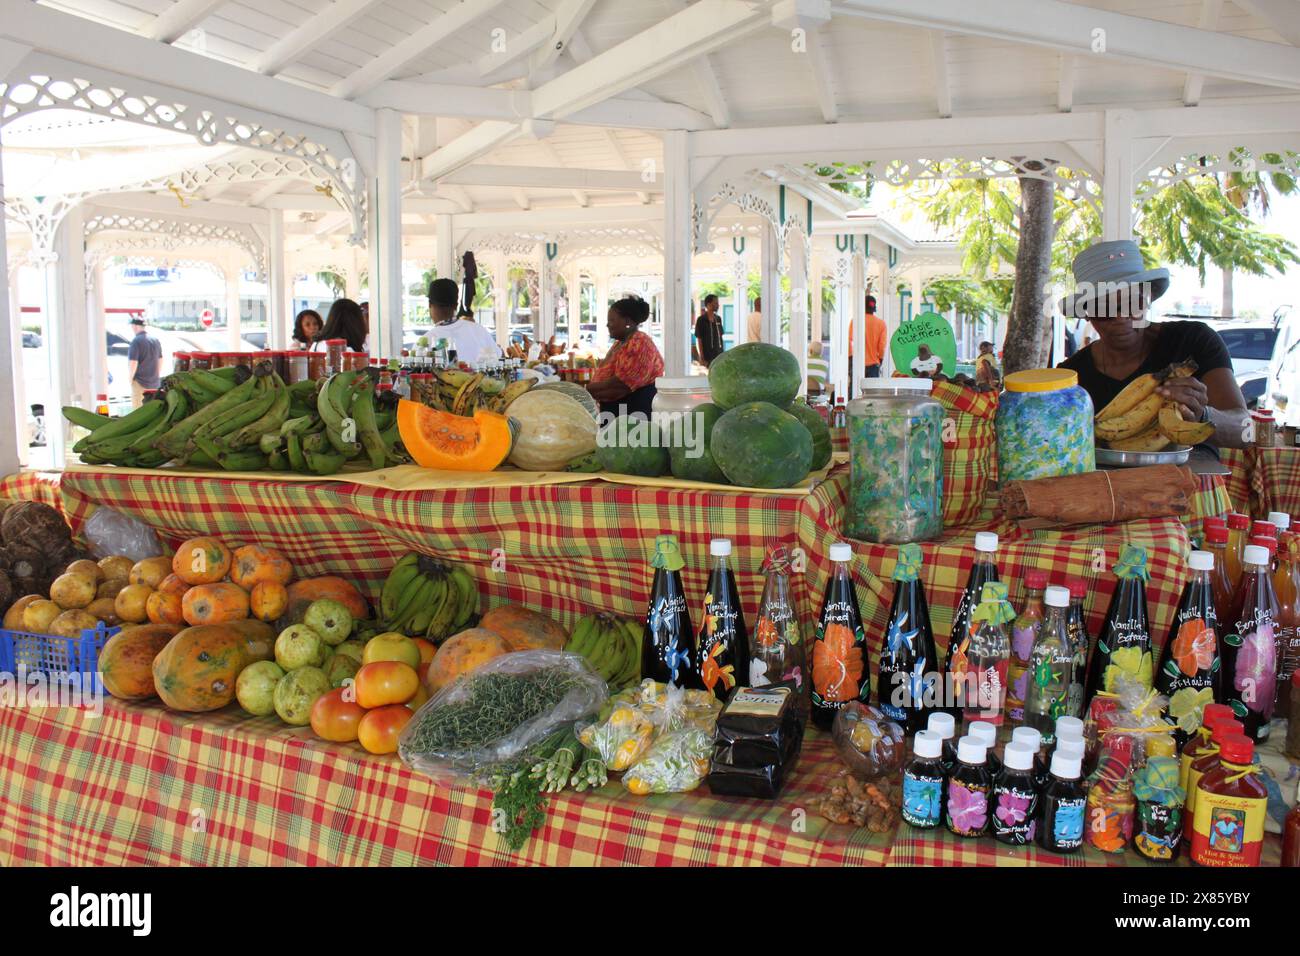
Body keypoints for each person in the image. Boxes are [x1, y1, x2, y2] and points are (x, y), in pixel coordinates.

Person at [1058, 239, 1248, 450]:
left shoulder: (1194, 340)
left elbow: (1245, 432)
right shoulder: (1070, 377)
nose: (1121, 316)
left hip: (1192, 480)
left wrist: (1203, 415)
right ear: (1086, 314)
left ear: (1147, 300)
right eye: (1105, 308)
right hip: (1103, 482)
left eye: (1133, 303)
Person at [587, 296, 664, 417]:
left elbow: (621, 385)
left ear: (627, 322)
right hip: (616, 414)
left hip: (634, 416)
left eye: (612, 320)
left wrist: (585, 390)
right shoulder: (620, 343)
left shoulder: (639, 342)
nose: (608, 325)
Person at [428, 278, 501, 365]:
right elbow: (498, 356)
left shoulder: (426, 341)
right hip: (481, 378)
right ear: (456, 305)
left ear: (430, 305)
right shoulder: (479, 330)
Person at [126, 317, 163, 408]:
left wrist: (130, 379)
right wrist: (156, 376)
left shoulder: (136, 341)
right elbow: (160, 360)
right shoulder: (155, 340)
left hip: (139, 383)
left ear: (135, 326)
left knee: (138, 412)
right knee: (152, 411)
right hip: (154, 384)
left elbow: (133, 362)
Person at [857, 294, 888, 379]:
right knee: (872, 391)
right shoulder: (881, 324)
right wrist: (880, 359)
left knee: (855, 390)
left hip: (857, 364)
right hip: (873, 365)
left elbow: (850, 342)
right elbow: (882, 345)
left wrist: (850, 360)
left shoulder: (855, 321)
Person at [695, 294, 724, 368]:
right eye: (716, 303)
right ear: (708, 304)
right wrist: (701, 357)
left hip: (719, 355)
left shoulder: (718, 319)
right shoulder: (701, 320)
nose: (718, 305)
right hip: (707, 356)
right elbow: (699, 339)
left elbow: (720, 337)